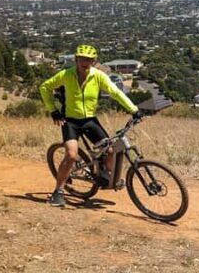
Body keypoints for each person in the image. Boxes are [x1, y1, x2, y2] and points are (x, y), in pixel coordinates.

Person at [39, 44, 142, 207]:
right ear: (76, 60)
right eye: (82, 59)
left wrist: (133, 109)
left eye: (89, 60)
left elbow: (115, 92)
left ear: (94, 61)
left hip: (89, 120)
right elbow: (45, 87)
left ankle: (104, 174)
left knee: (110, 150)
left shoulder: (98, 76)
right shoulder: (66, 74)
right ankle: (58, 191)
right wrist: (53, 110)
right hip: (70, 121)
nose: (85, 62)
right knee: (71, 155)